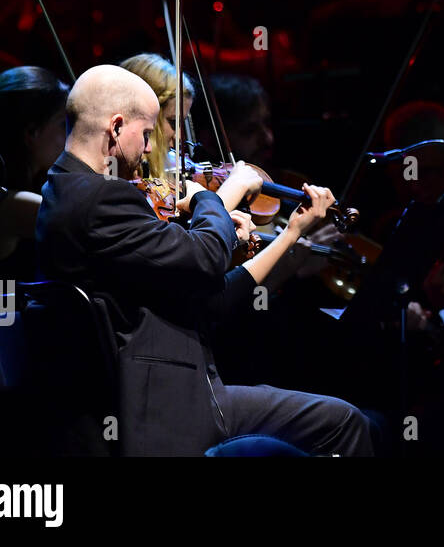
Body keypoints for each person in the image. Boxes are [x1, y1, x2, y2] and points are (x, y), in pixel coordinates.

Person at [35, 64, 375, 456]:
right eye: (146, 134)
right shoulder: (102, 198)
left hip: (180, 393)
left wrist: (290, 234)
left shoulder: (63, 188)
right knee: (347, 424)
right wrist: (204, 198)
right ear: (115, 126)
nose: (150, 149)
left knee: (348, 419)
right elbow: (205, 255)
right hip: (168, 408)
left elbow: (209, 292)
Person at [0, 66, 69, 281]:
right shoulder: (15, 206)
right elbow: (98, 231)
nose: (69, 137)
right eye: (62, 124)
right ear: (31, 133)